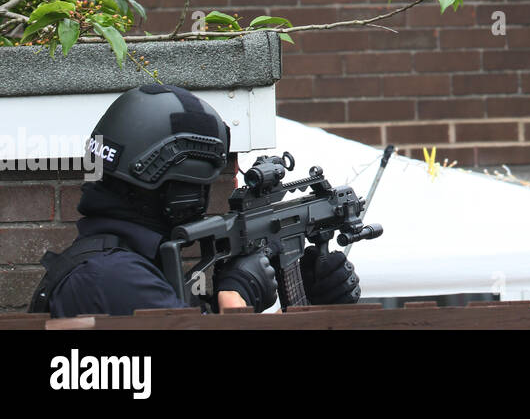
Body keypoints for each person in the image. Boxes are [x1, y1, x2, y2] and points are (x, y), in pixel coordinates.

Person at [29, 83, 361, 317]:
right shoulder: (113, 278)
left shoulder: (114, 267)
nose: (203, 200)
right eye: (201, 186)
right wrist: (235, 302)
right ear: (177, 191)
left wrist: (321, 310)